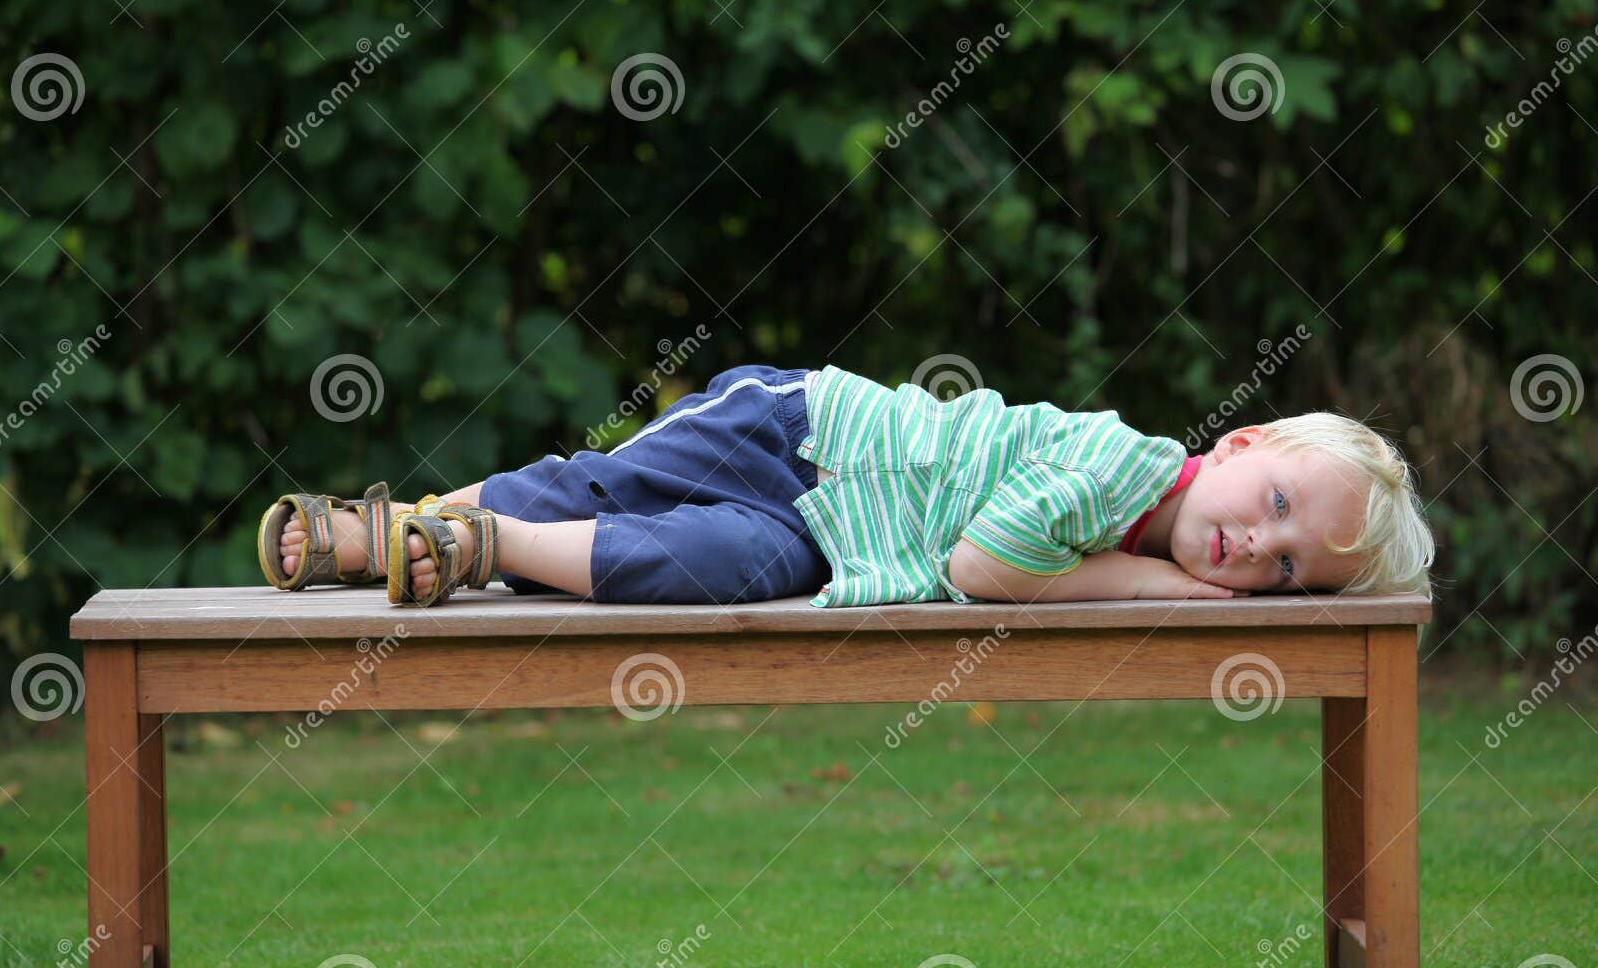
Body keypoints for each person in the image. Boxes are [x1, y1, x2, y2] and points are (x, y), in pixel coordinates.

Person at [257, 363, 1434, 609]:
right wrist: (1171, 595)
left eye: (1288, 570)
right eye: (1276, 506)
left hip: (831, 546)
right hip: (801, 434)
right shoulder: (1123, 463)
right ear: (1239, 444)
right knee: (599, 485)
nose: (1255, 552)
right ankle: (385, 531)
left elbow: (973, 567)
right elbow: (982, 567)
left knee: (708, 576)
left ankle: (479, 548)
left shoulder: (1144, 519)